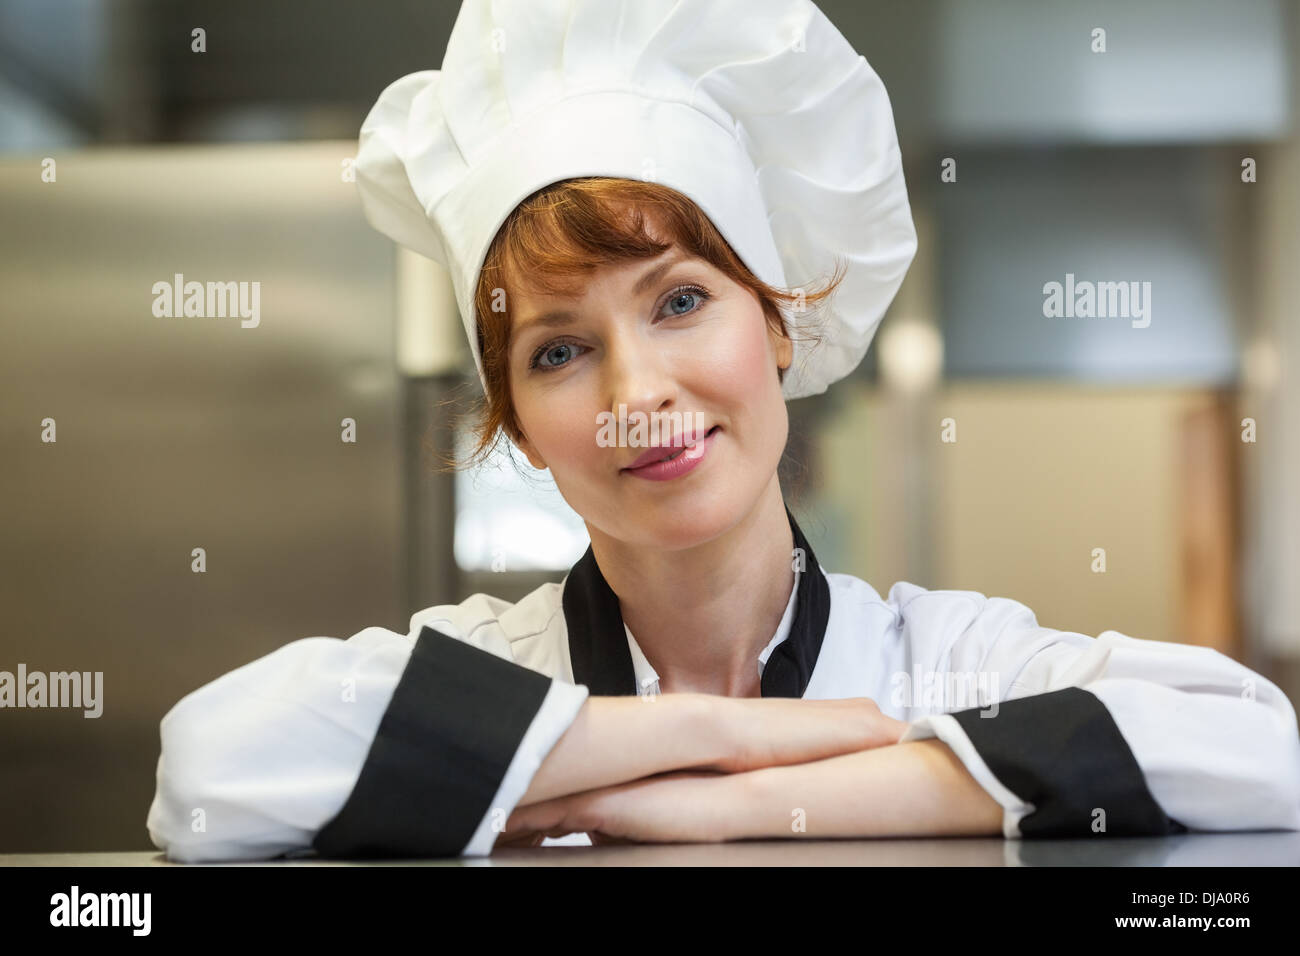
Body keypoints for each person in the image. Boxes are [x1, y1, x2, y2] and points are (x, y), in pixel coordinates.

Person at [146, 0, 1300, 860]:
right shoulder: (496, 665)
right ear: (524, 429)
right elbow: (211, 770)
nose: (635, 389)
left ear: (781, 328)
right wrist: (728, 733)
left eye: (680, 299)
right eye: (557, 349)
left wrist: (722, 801)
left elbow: (1255, 741)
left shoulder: (933, 660)